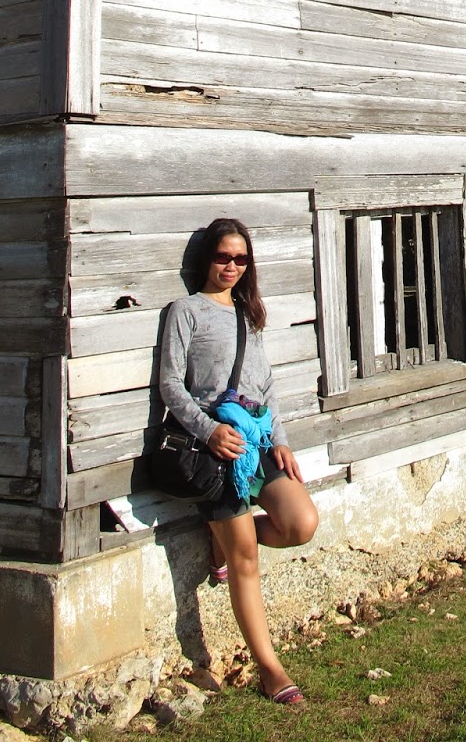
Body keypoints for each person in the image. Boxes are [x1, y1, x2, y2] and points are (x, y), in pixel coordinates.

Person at [160, 217, 318, 706]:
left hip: (258, 440)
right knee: (246, 558)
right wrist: (209, 433)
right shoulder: (185, 311)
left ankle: (222, 542)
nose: (230, 266)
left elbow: (265, 388)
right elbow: (170, 384)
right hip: (216, 448)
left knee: (301, 523)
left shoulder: (249, 317)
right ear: (208, 258)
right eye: (222, 256)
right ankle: (270, 668)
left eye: (240, 259)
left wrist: (282, 440)